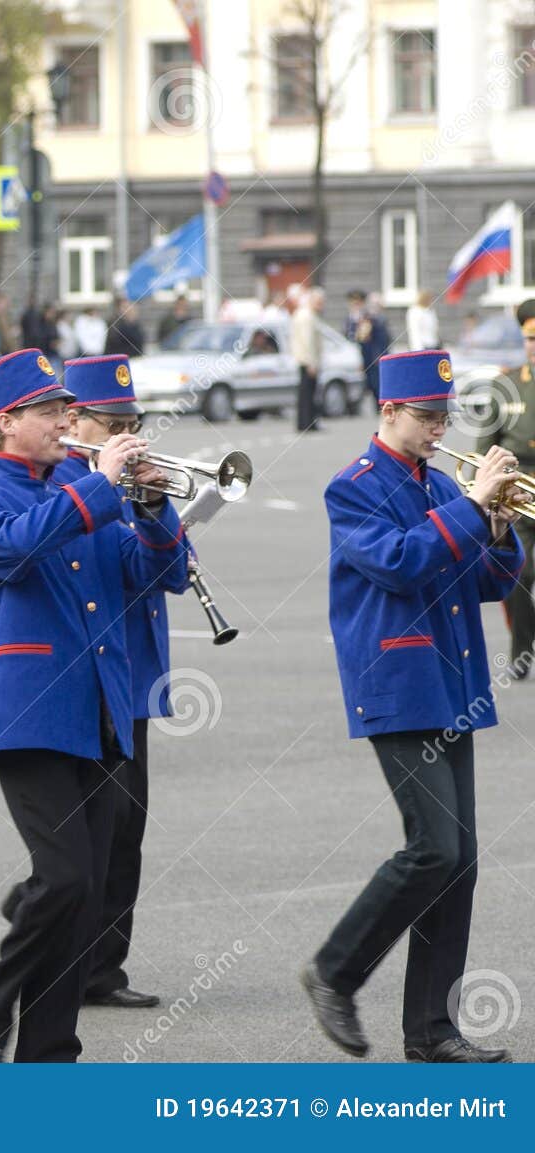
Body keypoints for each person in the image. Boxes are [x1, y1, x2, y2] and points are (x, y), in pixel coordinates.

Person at [0, 349, 184, 1062]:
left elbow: (157, 574)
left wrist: (156, 506)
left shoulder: (89, 493)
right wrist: (102, 489)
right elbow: (14, 549)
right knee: (66, 875)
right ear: (6, 420)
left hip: (103, 708)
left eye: (62, 410)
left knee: (85, 890)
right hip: (29, 709)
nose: (62, 422)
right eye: (49, 412)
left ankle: (50, 1052)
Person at [302, 350, 520, 1063]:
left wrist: (495, 524)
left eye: (442, 417)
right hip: (397, 682)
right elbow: (397, 560)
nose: (437, 429)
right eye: (425, 416)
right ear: (388, 411)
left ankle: (430, 1030)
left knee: (459, 862)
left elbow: (486, 580)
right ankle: (335, 969)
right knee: (435, 845)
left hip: (450, 680)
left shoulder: (439, 485)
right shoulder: (354, 488)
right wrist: (469, 505)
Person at [57, 356, 191, 1011]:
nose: (126, 435)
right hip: (84, 678)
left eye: (131, 423)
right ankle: (68, 964)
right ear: (74, 419)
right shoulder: (59, 482)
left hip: (134, 670)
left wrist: (158, 501)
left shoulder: (130, 480)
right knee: (87, 834)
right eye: (112, 423)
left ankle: (105, 967)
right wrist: (108, 487)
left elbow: (170, 572)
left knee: (128, 828)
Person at [476, 300, 535, 675]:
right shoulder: (506, 385)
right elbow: (485, 448)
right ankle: (521, 652)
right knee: (519, 575)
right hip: (520, 492)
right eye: (531, 337)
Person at [292, 287, 324, 432]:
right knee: (308, 394)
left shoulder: (304, 314)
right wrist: (312, 363)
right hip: (307, 361)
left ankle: (306, 422)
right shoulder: (307, 316)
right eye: (319, 302)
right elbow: (308, 341)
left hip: (304, 360)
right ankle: (307, 423)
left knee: (307, 393)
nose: (321, 305)